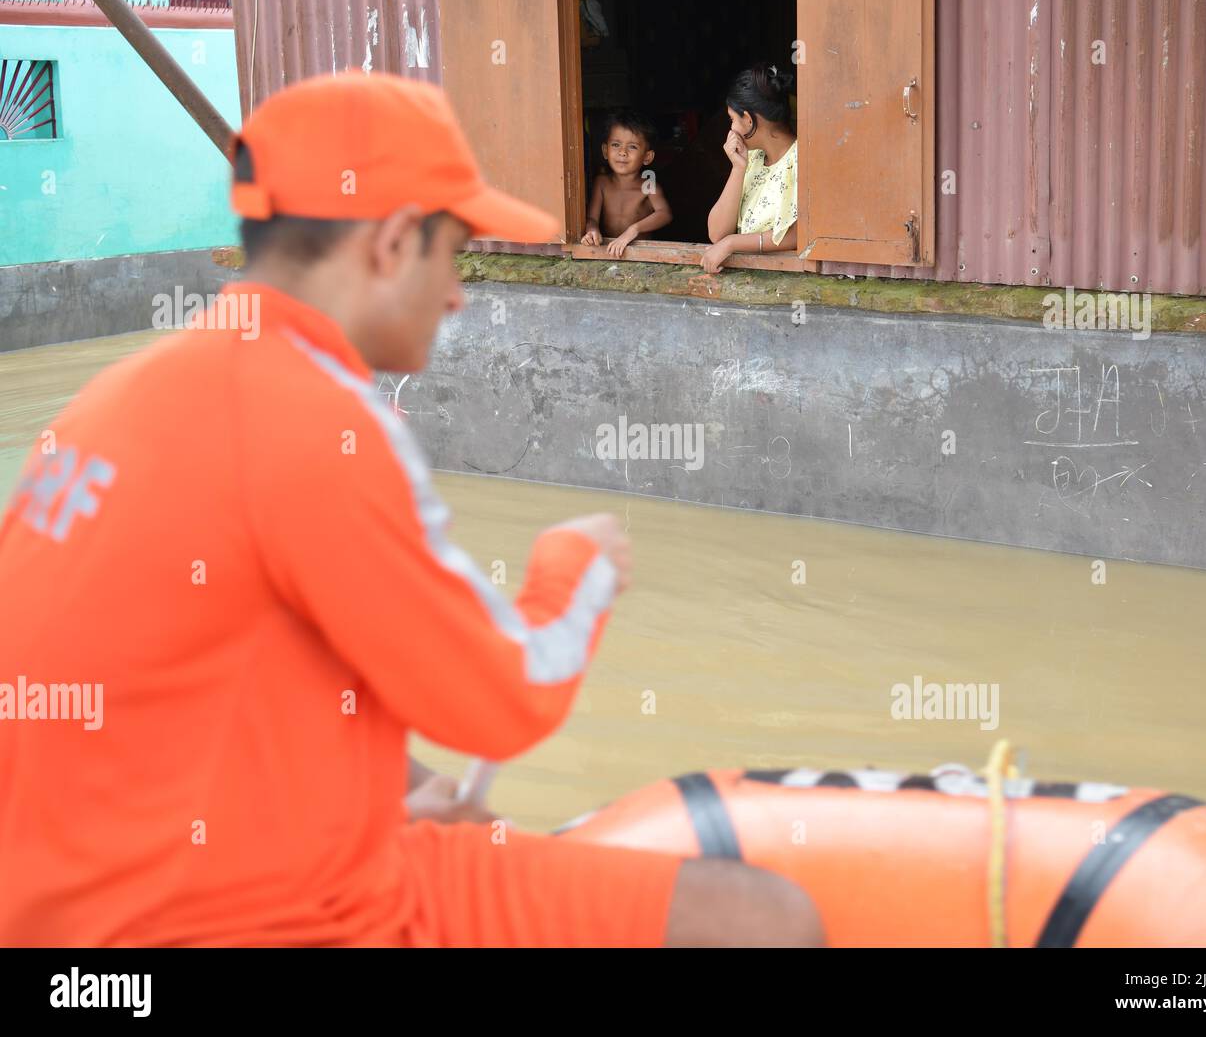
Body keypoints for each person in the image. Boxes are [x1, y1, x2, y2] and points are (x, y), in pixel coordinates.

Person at [0, 71, 822, 948]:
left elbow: (219, 681)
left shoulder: (107, 404)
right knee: (765, 918)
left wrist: (396, 785)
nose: (459, 292)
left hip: (75, 917)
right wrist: (573, 568)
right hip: (247, 911)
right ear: (393, 245)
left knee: (437, 808)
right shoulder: (323, 421)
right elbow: (507, 696)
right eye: (453, 251)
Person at [703, 63, 798, 273]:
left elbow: (797, 234)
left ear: (748, 119)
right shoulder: (753, 159)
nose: (731, 128)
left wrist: (732, 243)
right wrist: (738, 169)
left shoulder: (801, 160)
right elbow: (717, 234)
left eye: (732, 119)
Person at [581, 109, 673, 257]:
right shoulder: (602, 183)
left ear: (647, 157)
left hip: (641, 254)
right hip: (608, 252)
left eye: (632, 146)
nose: (622, 152)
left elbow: (665, 214)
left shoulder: (649, 186)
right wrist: (592, 230)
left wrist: (633, 230)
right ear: (605, 150)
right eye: (616, 145)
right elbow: (592, 218)